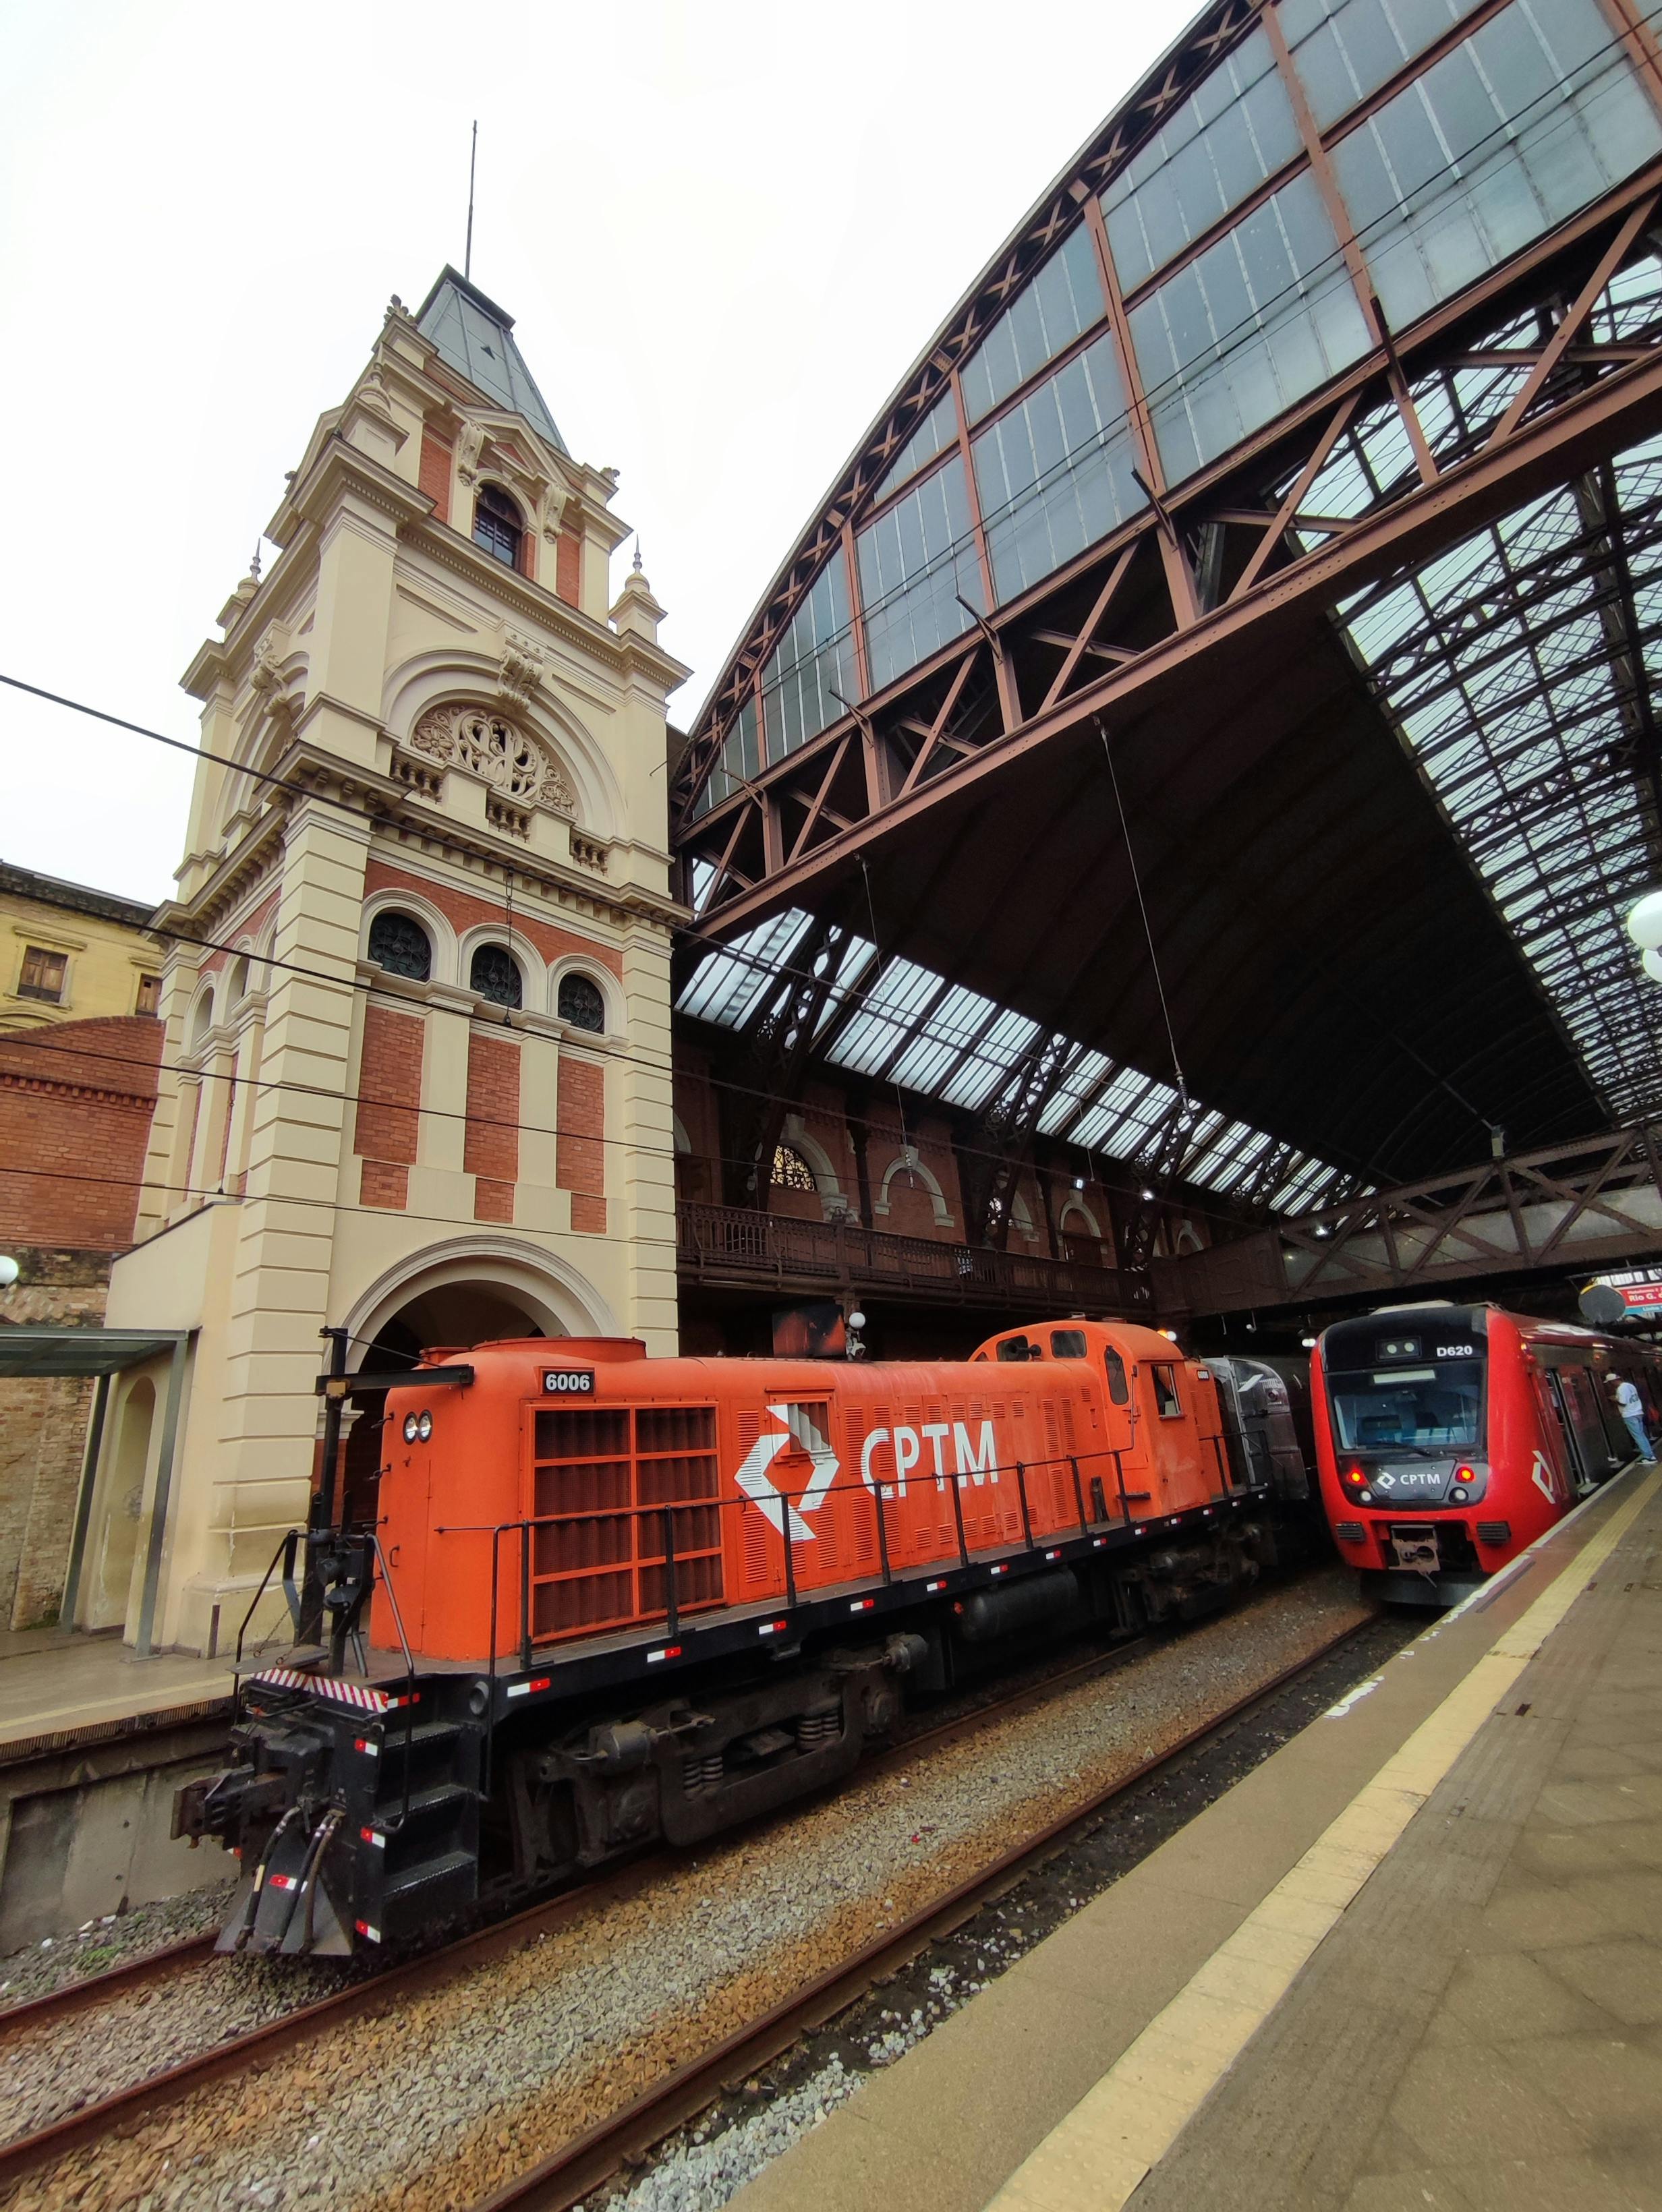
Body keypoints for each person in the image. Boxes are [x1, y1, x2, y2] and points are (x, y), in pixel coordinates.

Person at [1608, 1373, 1657, 1464]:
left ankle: (1649, 1457)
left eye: (1610, 1383)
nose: (1610, 1385)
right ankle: (1650, 1455)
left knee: (1638, 1436)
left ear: (1614, 1381)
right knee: (1641, 1435)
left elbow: (1623, 1403)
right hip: (1638, 1412)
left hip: (1630, 1415)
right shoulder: (1630, 1386)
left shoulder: (1621, 1389)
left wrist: (1613, 1399)